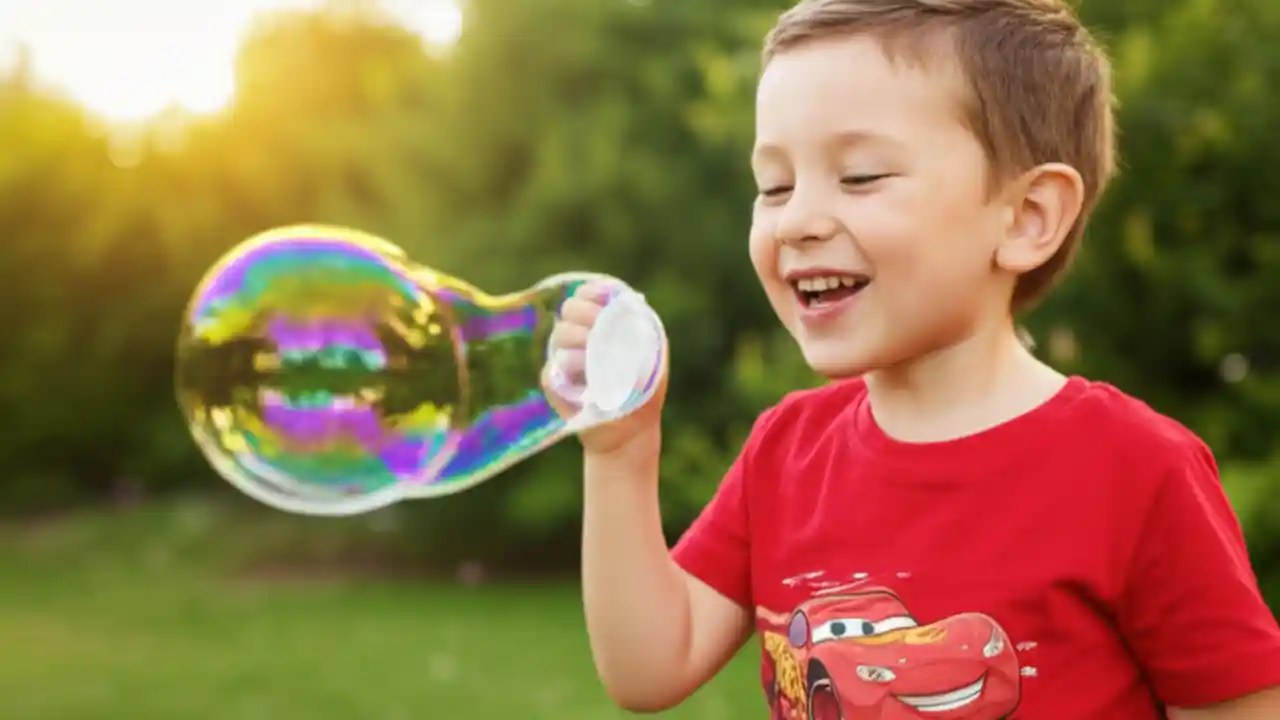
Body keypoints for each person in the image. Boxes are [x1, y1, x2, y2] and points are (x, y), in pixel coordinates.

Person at [543, 0, 1280, 717]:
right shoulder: (786, 455)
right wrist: (621, 454)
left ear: (1026, 218)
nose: (797, 219)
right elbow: (649, 666)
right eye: (774, 186)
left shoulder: (1135, 470)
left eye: (860, 175)